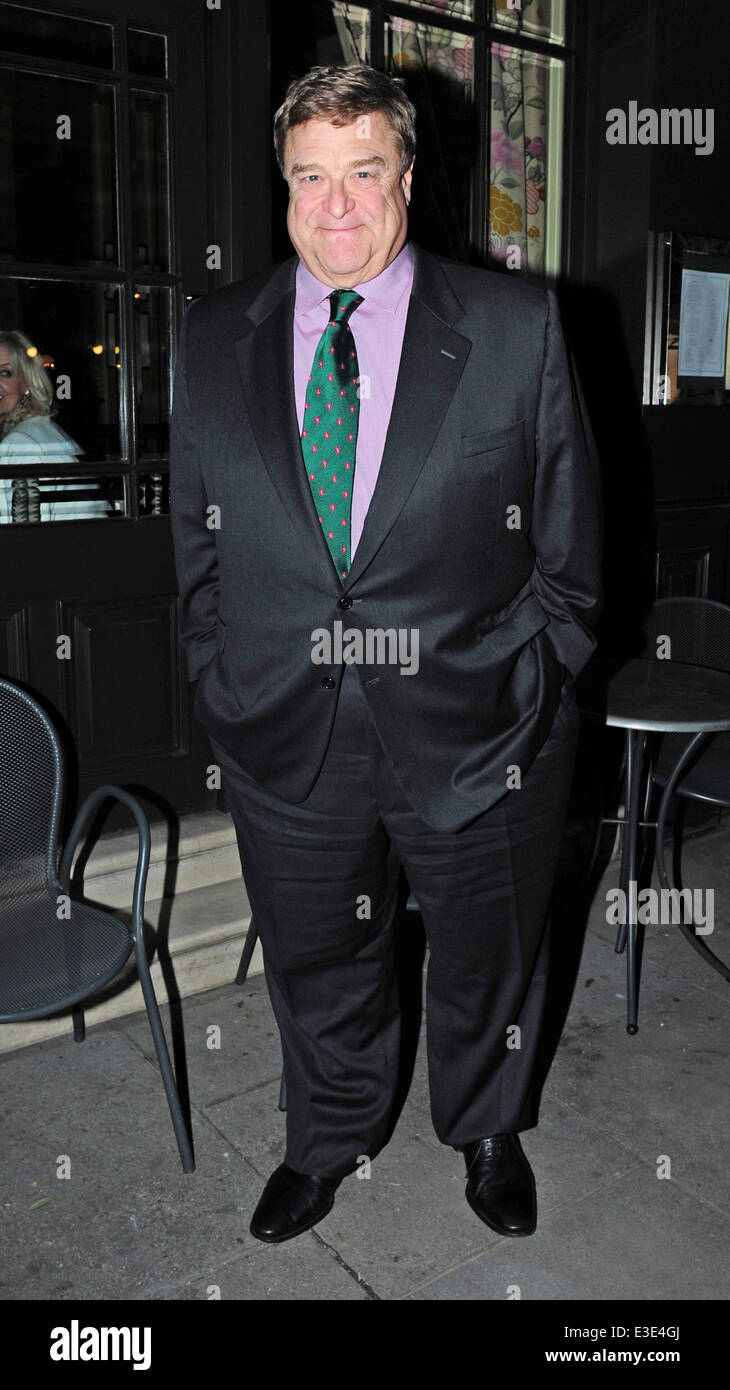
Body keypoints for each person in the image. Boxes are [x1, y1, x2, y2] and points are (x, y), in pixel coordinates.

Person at [170, 64, 603, 1244]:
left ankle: (486, 1127)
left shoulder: (513, 328)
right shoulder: (214, 337)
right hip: (282, 728)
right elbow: (194, 552)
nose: (337, 205)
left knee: (488, 956)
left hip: (480, 726)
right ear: (285, 187)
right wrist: (219, 681)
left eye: (364, 172)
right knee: (319, 963)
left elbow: (570, 555)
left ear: (407, 178)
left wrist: (537, 682)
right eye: (311, 177)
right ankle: (329, 1134)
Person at [0, 329, 106, 522]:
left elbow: (15, 535)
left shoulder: (20, 442)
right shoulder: (42, 429)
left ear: (28, 383)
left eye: (5, 373)